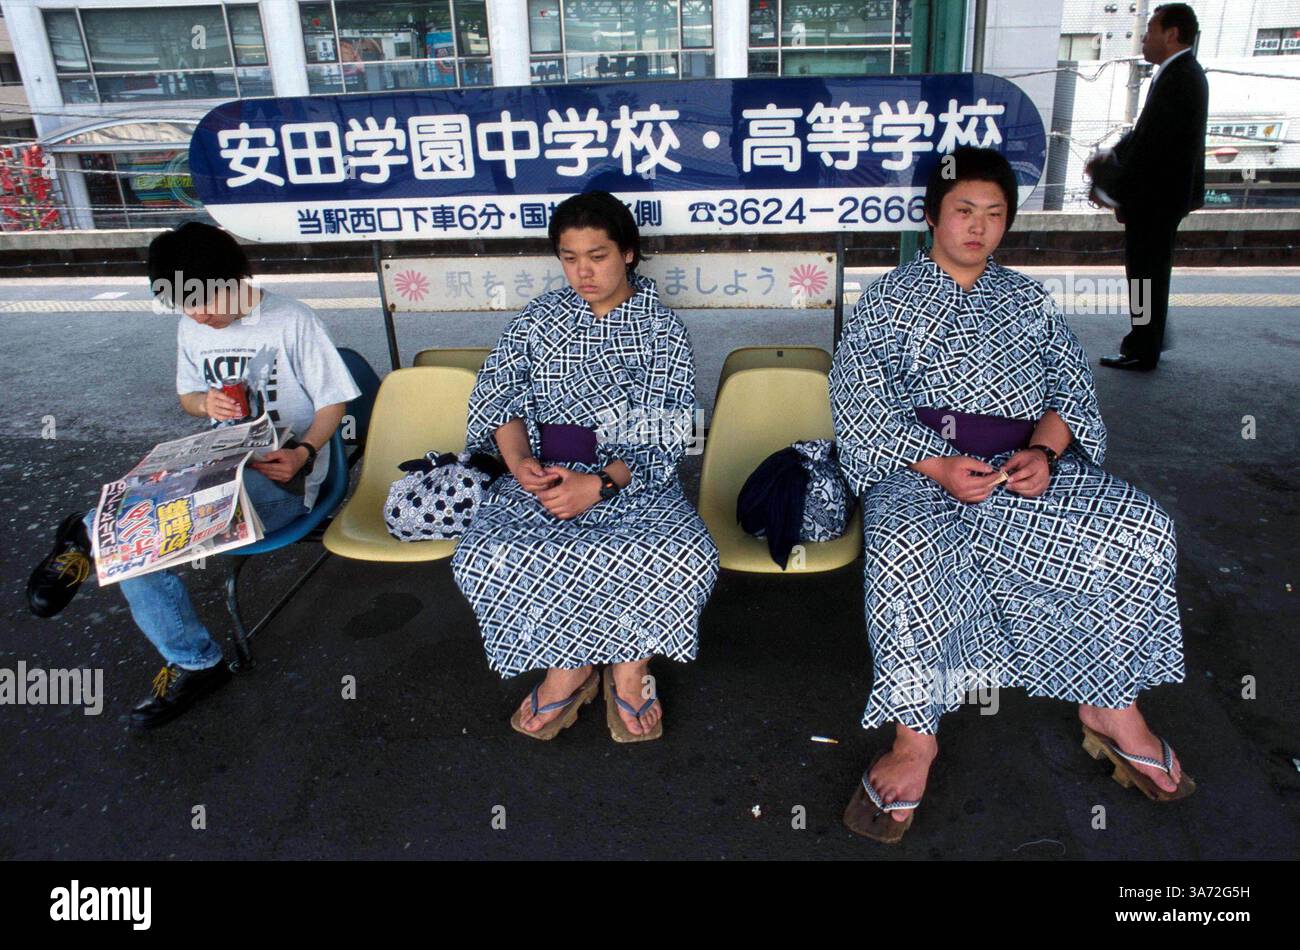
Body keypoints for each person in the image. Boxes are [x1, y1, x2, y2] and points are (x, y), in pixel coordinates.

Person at [829, 147, 1192, 844]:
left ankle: (1110, 701)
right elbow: (860, 405)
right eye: (964, 211)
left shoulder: (1026, 299)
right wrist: (935, 466)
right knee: (910, 550)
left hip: (1026, 464)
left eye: (995, 215)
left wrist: (1044, 453)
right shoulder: (888, 299)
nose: (978, 227)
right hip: (919, 465)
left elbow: (1070, 392)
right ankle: (915, 736)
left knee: (1137, 526)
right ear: (932, 215)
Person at [27, 222, 361, 729]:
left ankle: (88, 529)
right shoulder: (193, 325)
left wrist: (303, 452)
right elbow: (187, 396)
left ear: (236, 277)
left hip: (283, 482)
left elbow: (334, 401)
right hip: (217, 464)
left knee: (134, 532)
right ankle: (196, 661)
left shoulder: (293, 320)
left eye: (205, 302)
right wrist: (203, 402)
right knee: (134, 543)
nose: (197, 316)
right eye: (184, 305)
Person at [451, 191, 719, 743]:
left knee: (680, 550)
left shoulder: (662, 329)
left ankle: (630, 665)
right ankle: (567, 665)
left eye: (597, 255)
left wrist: (598, 484)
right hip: (545, 470)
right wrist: (520, 460)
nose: (583, 271)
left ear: (628, 253)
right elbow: (497, 396)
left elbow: (668, 432)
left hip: (630, 474)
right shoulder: (538, 319)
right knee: (488, 550)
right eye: (570, 258)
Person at [1087, 3, 1208, 371]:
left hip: (1156, 199)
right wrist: (1112, 158)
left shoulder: (1181, 78)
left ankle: (1143, 347)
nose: (1144, 38)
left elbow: (1151, 149)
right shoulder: (1178, 74)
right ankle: (1147, 339)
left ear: (1171, 34)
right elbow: (1143, 137)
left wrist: (1111, 183)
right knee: (1149, 273)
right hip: (1161, 197)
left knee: (1145, 274)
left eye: (1150, 29)